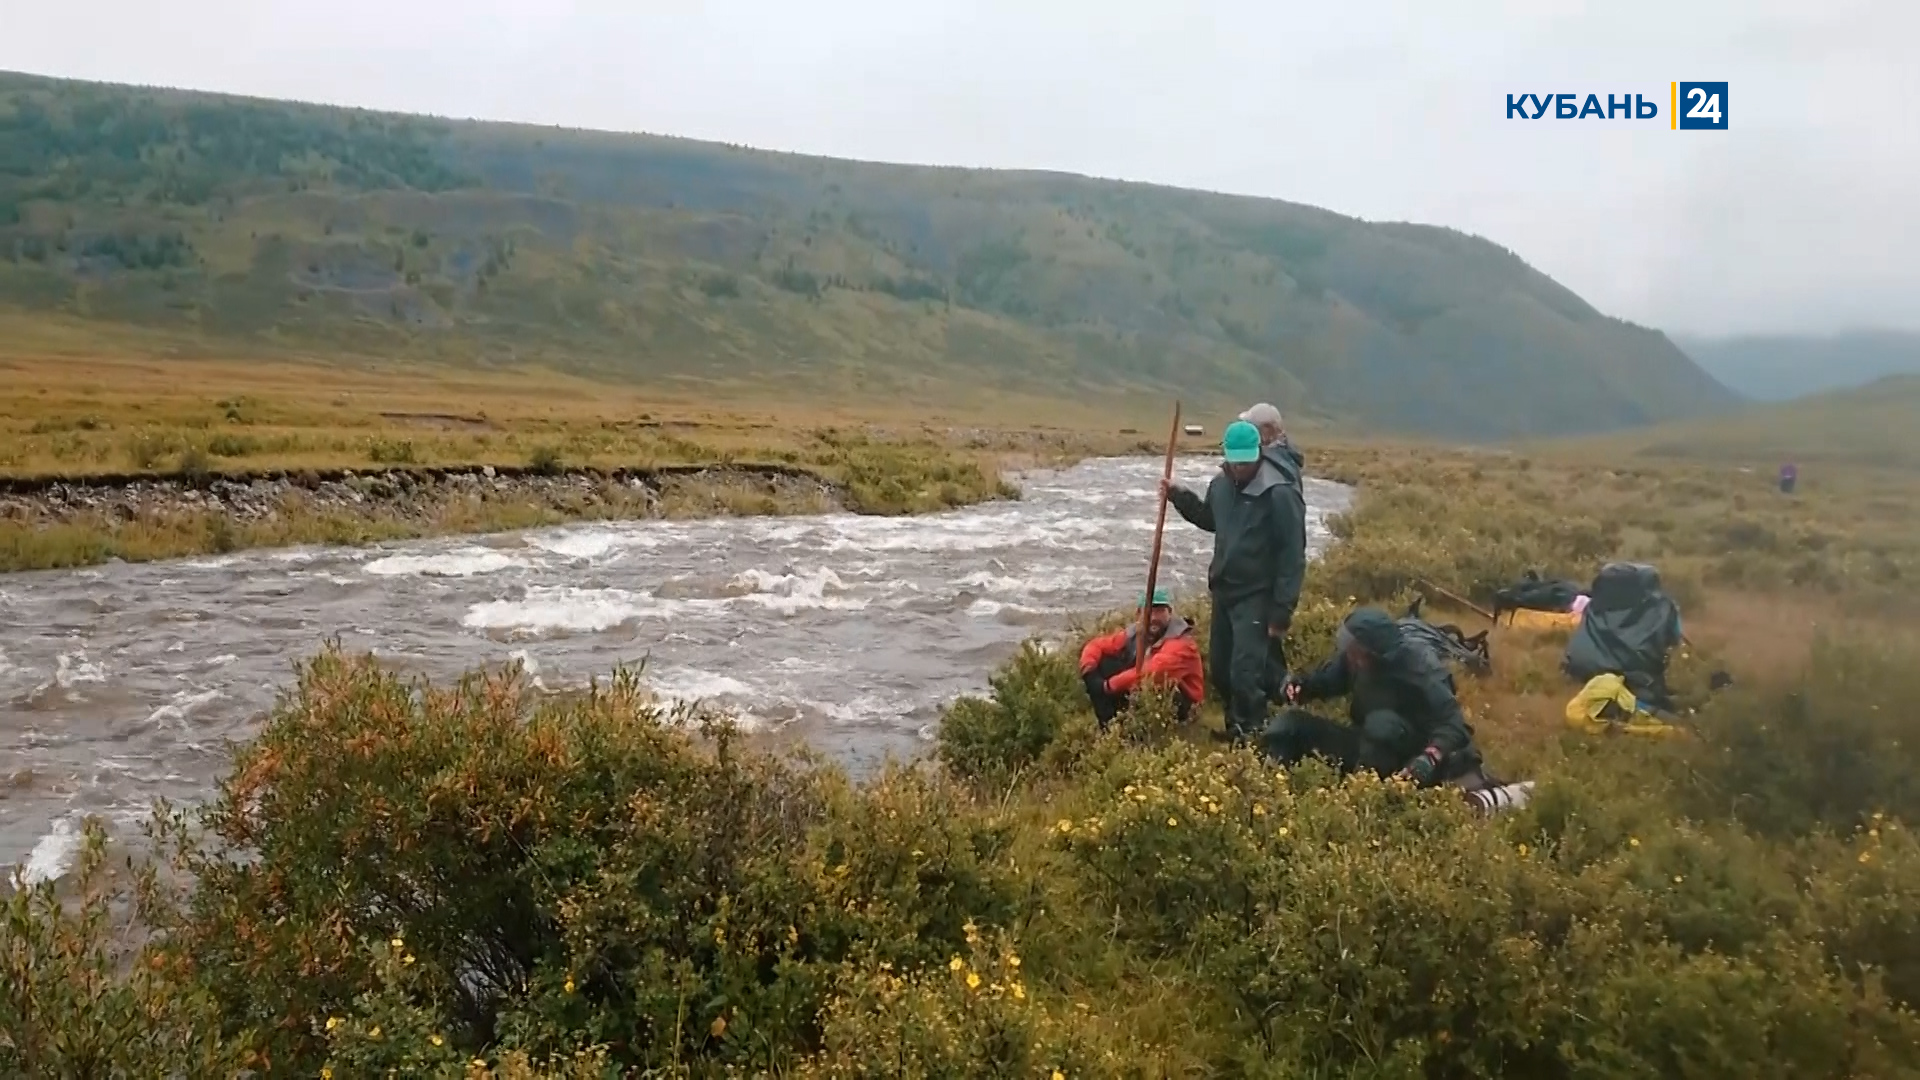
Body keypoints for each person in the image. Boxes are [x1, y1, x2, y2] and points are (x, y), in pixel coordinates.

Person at [1161, 420, 1308, 743]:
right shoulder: (1220, 486)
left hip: (1258, 595)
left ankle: (1254, 735)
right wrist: (1179, 497)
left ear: (1258, 454)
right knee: (1222, 667)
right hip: (1224, 591)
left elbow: (1292, 556)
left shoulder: (1280, 493)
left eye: (1246, 461)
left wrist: (1282, 611)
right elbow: (1210, 519)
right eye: (1234, 460)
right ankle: (1236, 725)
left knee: (1246, 671)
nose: (1240, 467)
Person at [1262, 606, 1484, 787]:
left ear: (1373, 651)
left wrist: (1430, 757)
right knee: (1291, 724)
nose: (1349, 654)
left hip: (1409, 758)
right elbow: (1326, 681)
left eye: (1354, 649)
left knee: (1382, 724)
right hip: (1366, 746)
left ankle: (1365, 793)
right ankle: (1270, 782)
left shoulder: (1420, 668)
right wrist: (1300, 686)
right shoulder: (1355, 661)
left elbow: (1454, 723)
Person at [1078, 587, 1205, 730]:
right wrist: (1089, 671)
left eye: (1160, 611)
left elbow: (1154, 672)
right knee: (1102, 664)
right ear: (1139, 614)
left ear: (1170, 613)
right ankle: (1109, 726)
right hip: (1144, 689)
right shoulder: (1136, 632)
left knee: (1155, 685)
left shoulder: (1181, 642)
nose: (1154, 617)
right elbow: (1098, 645)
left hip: (1181, 703)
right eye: (1149, 611)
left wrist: (1108, 686)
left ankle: (1145, 732)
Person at [1239, 402, 1305, 488]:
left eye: (1251, 427)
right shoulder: (1288, 457)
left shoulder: (1276, 465)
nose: (1246, 432)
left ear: (1267, 429)